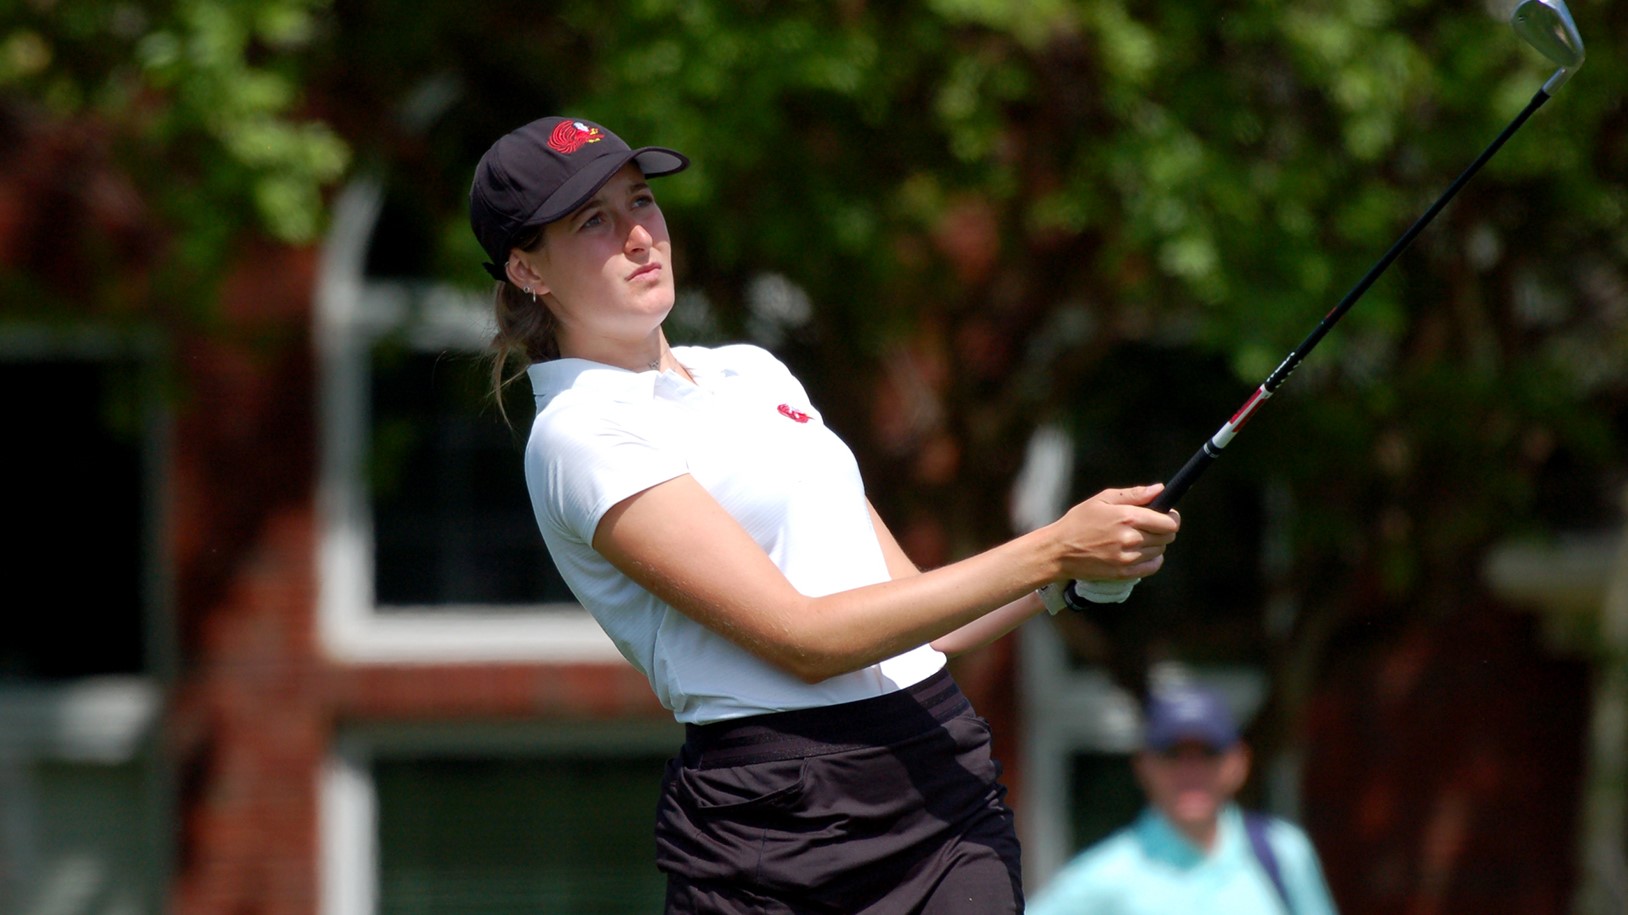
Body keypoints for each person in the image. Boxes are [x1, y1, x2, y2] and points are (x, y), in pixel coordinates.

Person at [468, 114, 1182, 914]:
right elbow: (806, 640)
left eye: (641, 202)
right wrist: (1051, 550)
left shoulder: (749, 369)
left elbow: (917, 610)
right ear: (529, 270)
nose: (640, 236)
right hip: (780, 822)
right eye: (593, 221)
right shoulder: (579, 434)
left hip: (936, 767)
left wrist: (1073, 576)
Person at [1027, 683, 1338, 915]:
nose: (1190, 772)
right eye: (1173, 754)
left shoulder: (1284, 853)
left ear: (1238, 763)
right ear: (1144, 766)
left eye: (1208, 753)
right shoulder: (1101, 876)